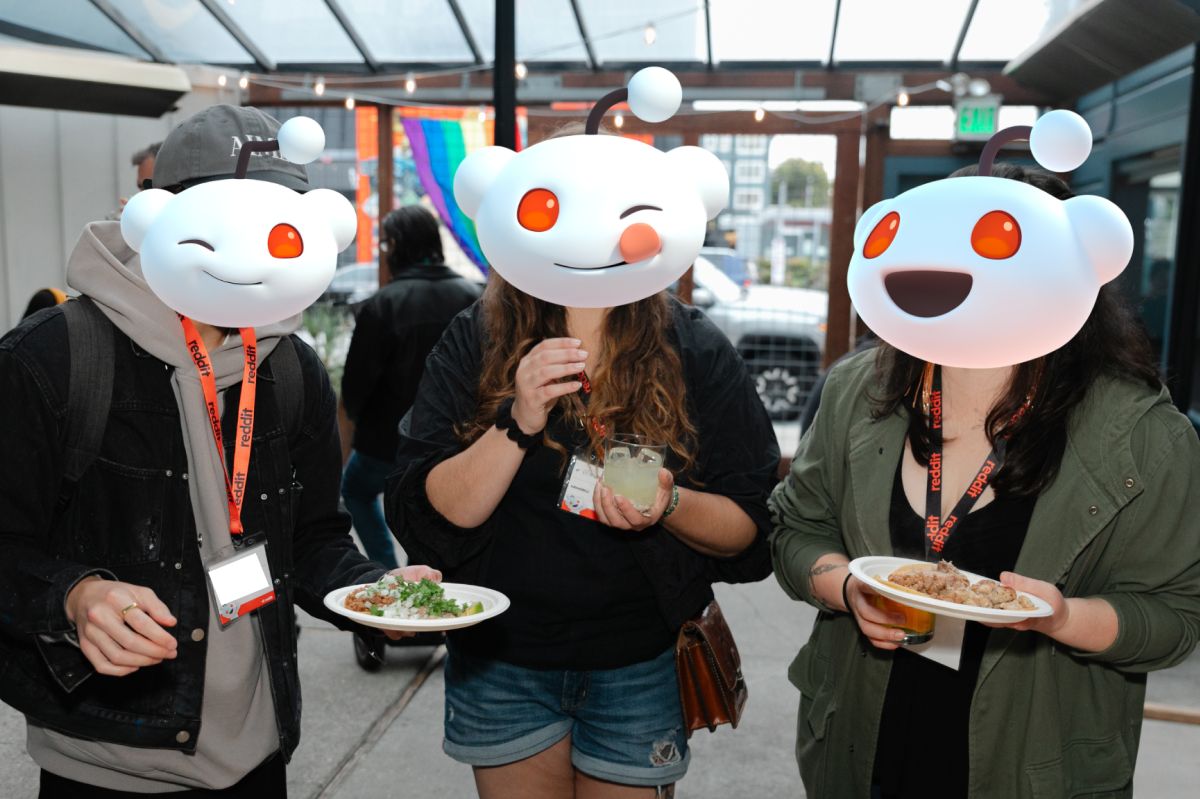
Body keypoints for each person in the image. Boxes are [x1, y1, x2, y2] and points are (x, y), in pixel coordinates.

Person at [0, 104, 433, 798]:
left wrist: (373, 593)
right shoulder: (53, 358)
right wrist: (76, 596)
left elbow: (314, 537)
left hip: (257, 756)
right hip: (107, 758)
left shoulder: (290, 369)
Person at [770, 163, 1200, 798]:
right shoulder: (858, 390)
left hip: (1032, 762)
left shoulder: (1143, 434)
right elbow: (795, 528)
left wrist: (1062, 618)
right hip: (861, 742)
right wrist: (849, 588)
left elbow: (1174, 615)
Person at [386, 270, 780, 798]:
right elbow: (436, 512)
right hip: (503, 663)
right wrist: (517, 421)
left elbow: (749, 528)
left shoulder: (692, 344)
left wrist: (668, 504)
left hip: (639, 666)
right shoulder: (479, 334)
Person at [340, 205, 482, 570]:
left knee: (354, 490)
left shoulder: (384, 304)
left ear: (396, 245)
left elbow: (356, 386)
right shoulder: (472, 297)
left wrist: (360, 422)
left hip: (385, 443)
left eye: (385, 243)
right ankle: (427, 570)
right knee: (436, 511)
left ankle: (388, 570)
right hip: (457, 442)